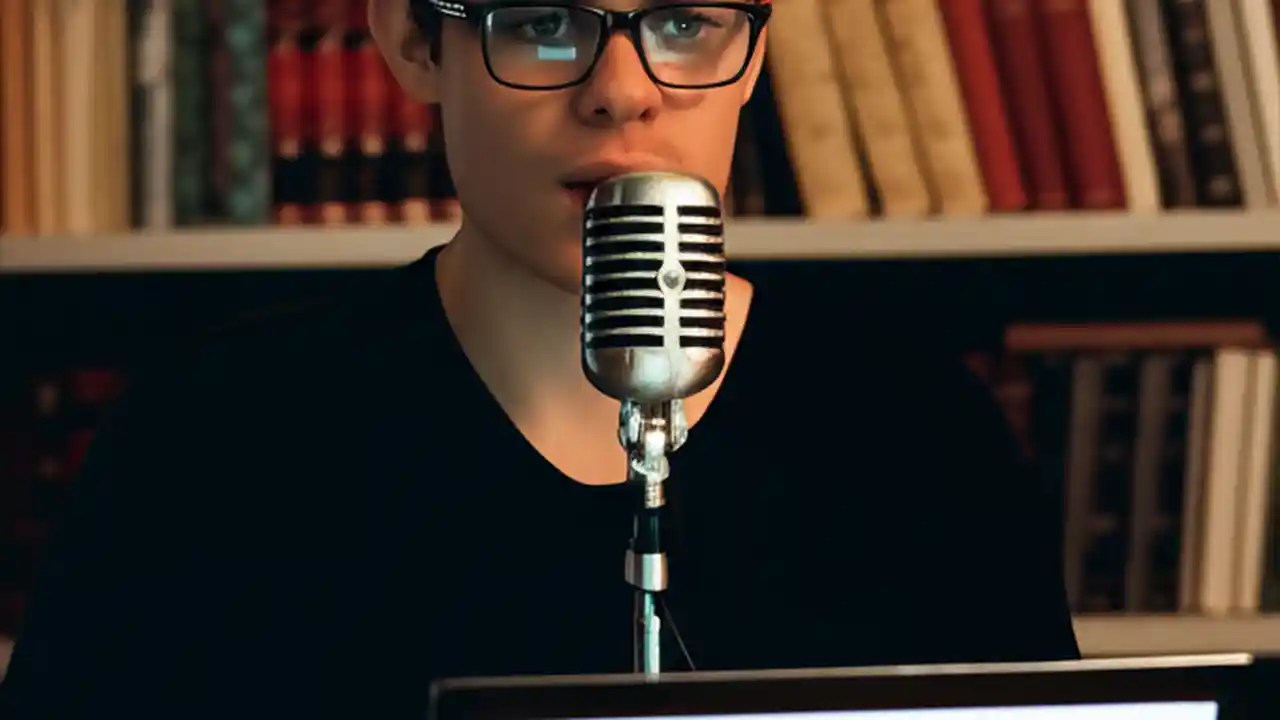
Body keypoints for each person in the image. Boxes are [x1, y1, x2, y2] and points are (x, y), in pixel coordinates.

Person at [0, 0, 1079, 717]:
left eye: (685, 23)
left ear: (754, 57)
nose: (622, 91)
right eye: (545, 23)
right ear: (414, 43)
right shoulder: (210, 436)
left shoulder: (918, 430)